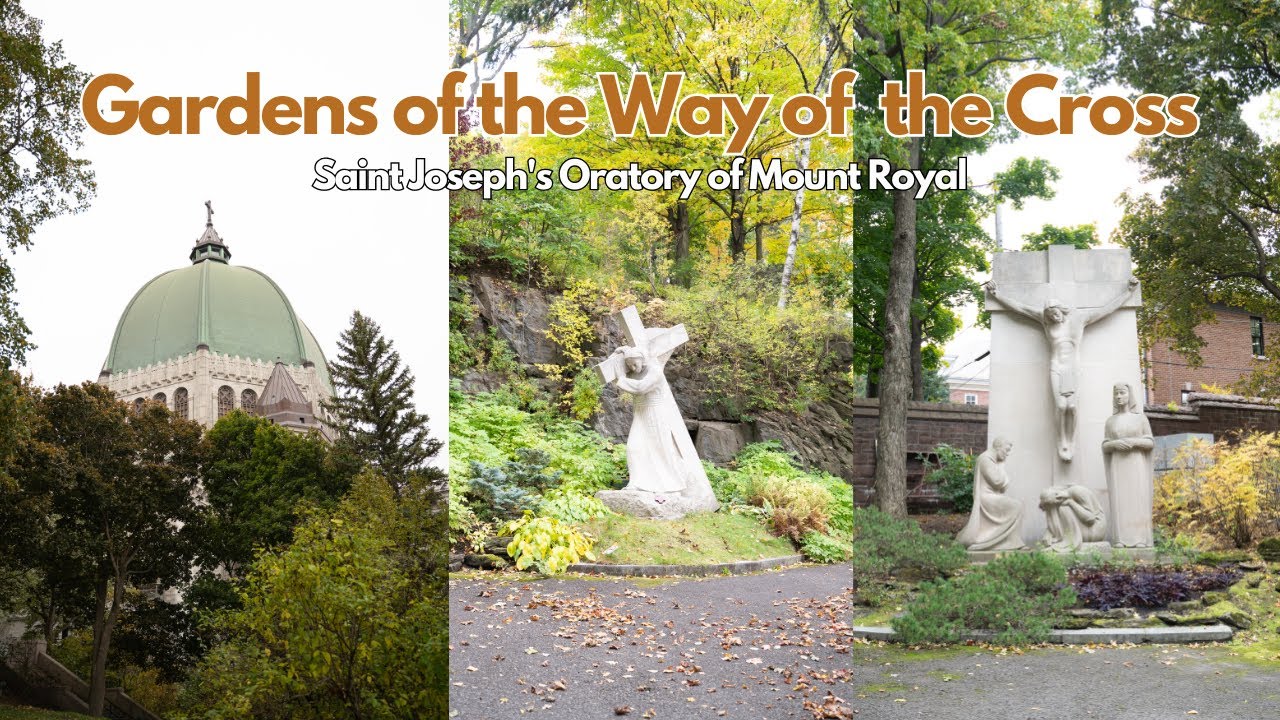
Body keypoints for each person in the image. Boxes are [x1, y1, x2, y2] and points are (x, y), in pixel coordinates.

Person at [989, 276, 1138, 461]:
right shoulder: (1045, 321)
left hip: (1073, 368)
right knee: (1061, 406)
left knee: (1072, 407)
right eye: (1050, 315)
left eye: (1056, 313)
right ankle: (1062, 440)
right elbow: (1021, 308)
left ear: (1062, 310)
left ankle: (1071, 440)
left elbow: (1106, 310)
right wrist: (997, 295)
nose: (1054, 317)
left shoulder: (1079, 319)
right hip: (1056, 366)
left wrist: (1129, 293)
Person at [608, 344, 705, 495]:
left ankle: (670, 485)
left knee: (661, 448)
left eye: (634, 363)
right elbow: (613, 374)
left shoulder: (655, 371)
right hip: (640, 414)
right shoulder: (632, 374)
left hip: (656, 414)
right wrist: (617, 355)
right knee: (634, 447)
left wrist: (621, 378)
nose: (633, 367)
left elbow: (640, 388)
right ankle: (636, 482)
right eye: (629, 365)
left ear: (642, 359)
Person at [1103, 382, 1154, 547]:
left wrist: (1133, 441)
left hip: (1135, 463)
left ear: (1129, 395)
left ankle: (1139, 539)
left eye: (1122, 393)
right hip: (1118, 464)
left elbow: (1149, 442)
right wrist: (1114, 444)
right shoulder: (1110, 421)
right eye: (1116, 393)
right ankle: (1120, 539)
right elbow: (1105, 445)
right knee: (1120, 500)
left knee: (1137, 499)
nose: (1119, 397)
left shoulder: (1140, 419)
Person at [956, 437, 1026, 551]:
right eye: (1006, 450)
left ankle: (1009, 541)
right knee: (1016, 506)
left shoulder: (991, 460)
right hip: (986, 498)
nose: (1007, 454)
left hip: (991, 496)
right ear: (999, 447)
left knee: (1017, 505)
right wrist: (1002, 468)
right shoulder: (985, 459)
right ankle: (991, 542)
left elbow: (1001, 486)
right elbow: (997, 482)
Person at [1039, 484, 1107, 551]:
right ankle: (1060, 538)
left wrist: (1071, 503)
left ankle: (1067, 543)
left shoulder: (1078, 491)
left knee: (1064, 507)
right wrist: (1050, 533)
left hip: (1095, 529)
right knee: (1064, 506)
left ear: (1058, 496)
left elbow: (1091, 519)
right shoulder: (1064, 495)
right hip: (1083, 527)